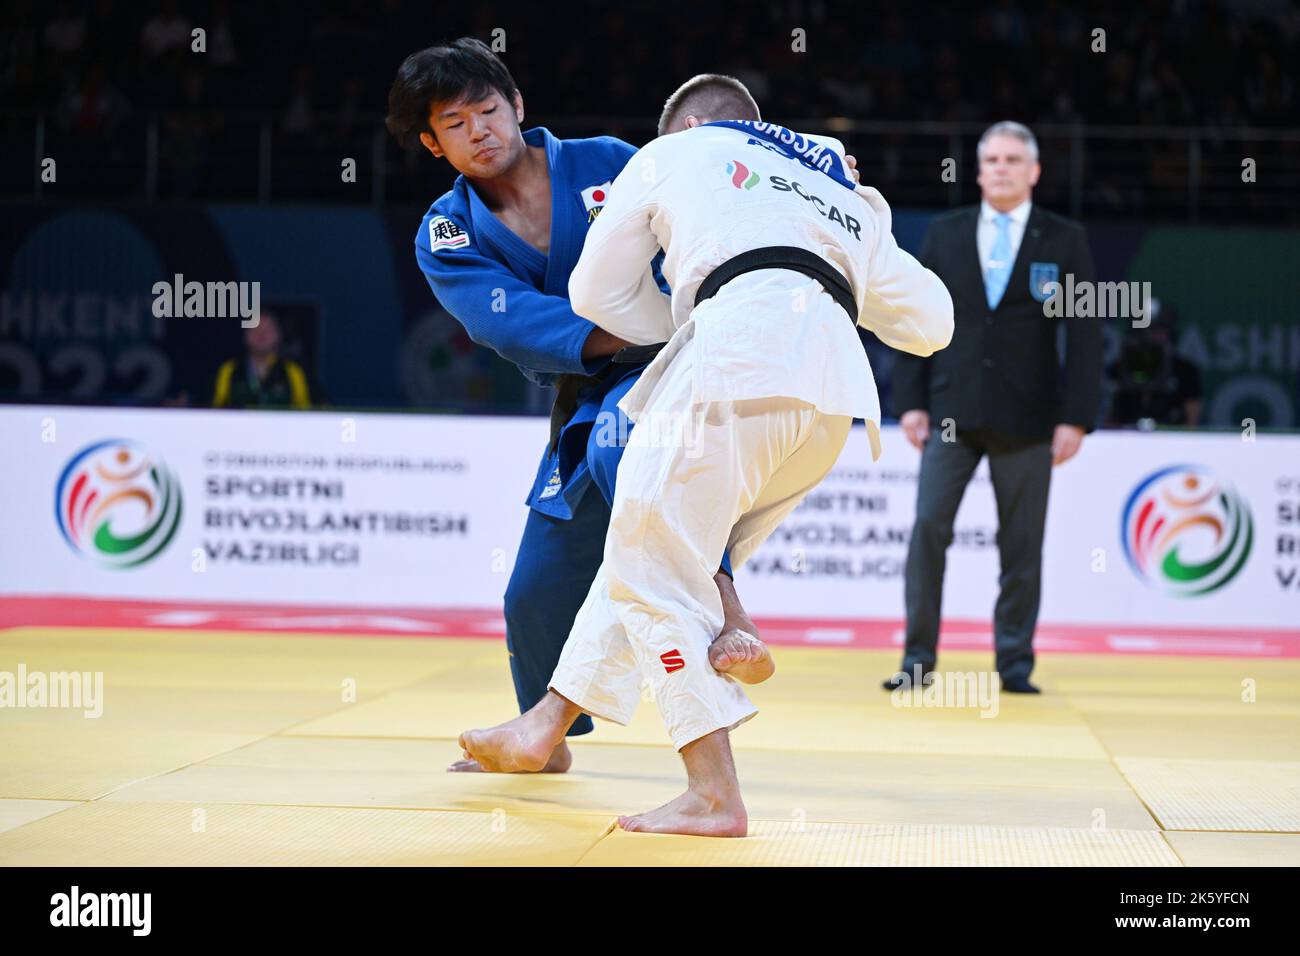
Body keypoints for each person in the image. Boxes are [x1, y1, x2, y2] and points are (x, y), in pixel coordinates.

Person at [457, 74, 954, 836]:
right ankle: (544, 725)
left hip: (731, 366)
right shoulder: (841, 181)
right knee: (646, 550)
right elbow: (933, 324)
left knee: (653, 571)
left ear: (684, 127)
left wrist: (691, 306)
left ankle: (714, 792)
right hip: (831, 405)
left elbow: (593, 293)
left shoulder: (669, 155)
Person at [386, 41, 774, 775]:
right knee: (532, 589)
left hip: (677, 364)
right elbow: (504, 321)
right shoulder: (450, 232)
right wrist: (618, 329)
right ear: (433, 143)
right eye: (455, 123)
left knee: (624, 441)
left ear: (518, 105)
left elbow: (708, 211)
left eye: (489, 109)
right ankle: (550, 739)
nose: (480, 130)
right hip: (588, 385)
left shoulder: (607, 160)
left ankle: (725, 603)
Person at [887, 121, 1103, 695]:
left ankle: (1014, 663)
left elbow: (1083, 335)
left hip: (1030, 416)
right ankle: (917, 659)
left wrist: (1077, 415)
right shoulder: (945, 233)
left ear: (1033, 171)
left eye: (1013, 159)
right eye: (992, 159)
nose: (1002, 168)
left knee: (1022, 544)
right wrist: (908, 401)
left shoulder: (1064, 239)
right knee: (929, 528)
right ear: (978, 170)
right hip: (950, 411)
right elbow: (917, 319)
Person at [211, 312, 312, 409]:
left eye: (268, 330)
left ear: (278, 335)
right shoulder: (228, 370)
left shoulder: (292, 371)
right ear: (245, 335)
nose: (261, 334)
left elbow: (305, 412)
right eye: (255, 328)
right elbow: (216, 410)